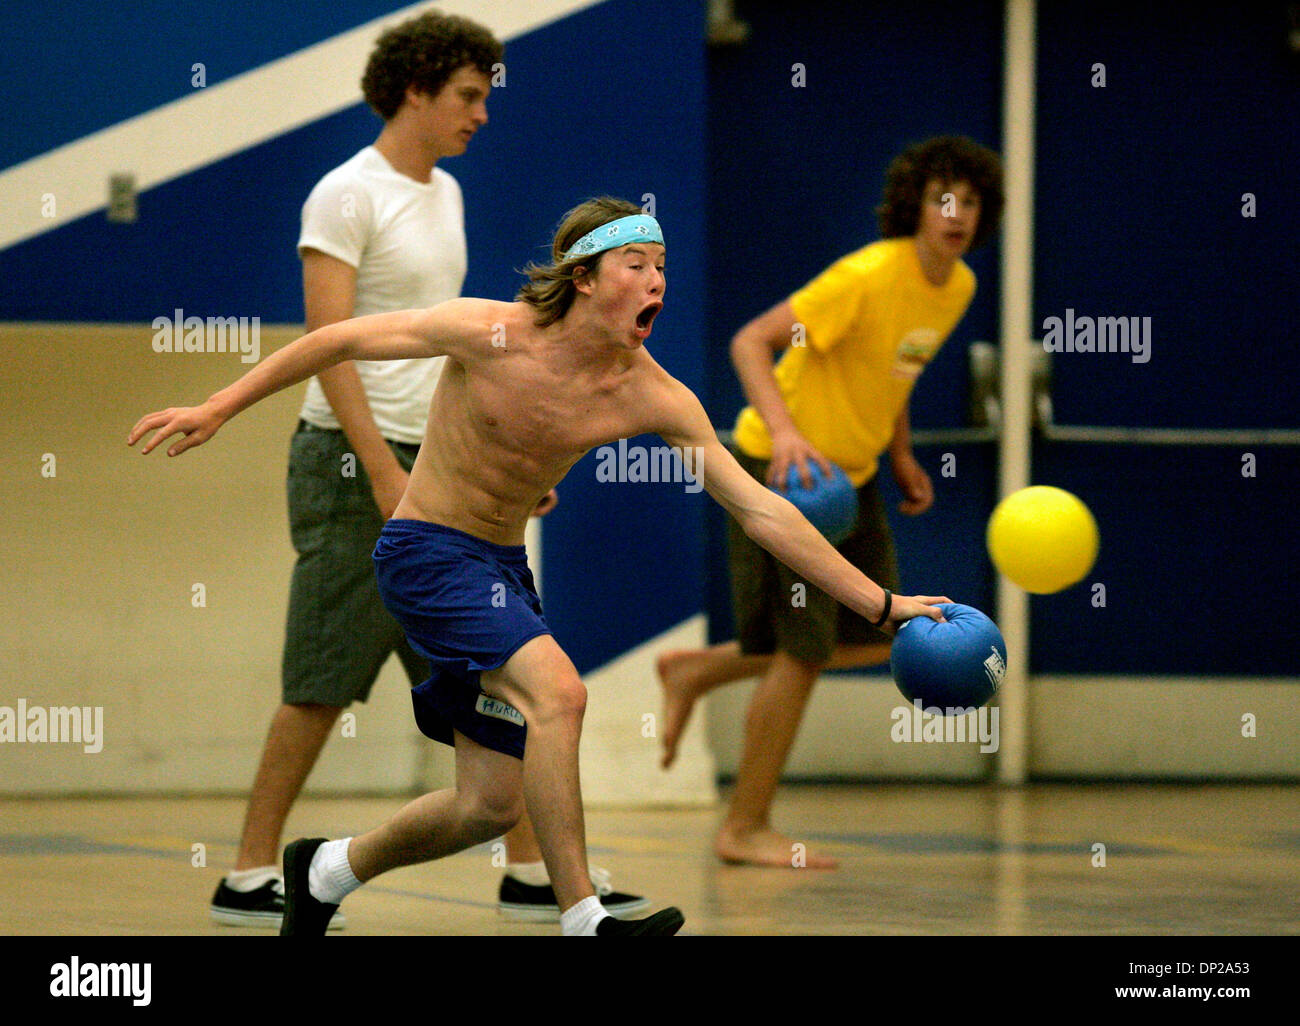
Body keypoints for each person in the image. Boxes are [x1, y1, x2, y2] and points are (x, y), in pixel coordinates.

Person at [129, 196, 950, 936]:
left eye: (663, 267)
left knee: (486, 806)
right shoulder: (489, 332)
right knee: (561, 692)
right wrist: (216, 407)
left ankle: (327, 869)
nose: (657, 279)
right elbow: (337, 339)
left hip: (499, 567)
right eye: (638, 265)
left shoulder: (650, 395)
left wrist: (883, 605)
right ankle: (582, 913)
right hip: (424, 552)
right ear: (586, 278)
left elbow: (763, 508)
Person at [207, 9, 646, 931]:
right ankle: (249, 869)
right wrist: (379, 471)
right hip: (350, 456)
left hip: (438, 467)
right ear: (416, 87)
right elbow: (333, 342)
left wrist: (514, 463)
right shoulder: (345, 194)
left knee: (500, 676)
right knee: (323, 673)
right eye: (468, 96)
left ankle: (533, 868)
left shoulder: (442, 194)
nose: (483, 114)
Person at [655, 135, 1004, 868]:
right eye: (943, 198)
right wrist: (782, 436)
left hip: (857, 472)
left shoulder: (959, 286)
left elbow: (893, 372)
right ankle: (744, 828)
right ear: (915, 204)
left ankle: (696, 672)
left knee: (880, 634)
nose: (956, 214)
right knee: (803, 653)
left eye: (969, 201)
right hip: (784, 474)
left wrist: (902, 453)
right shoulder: (867, 276)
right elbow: (753, 342)